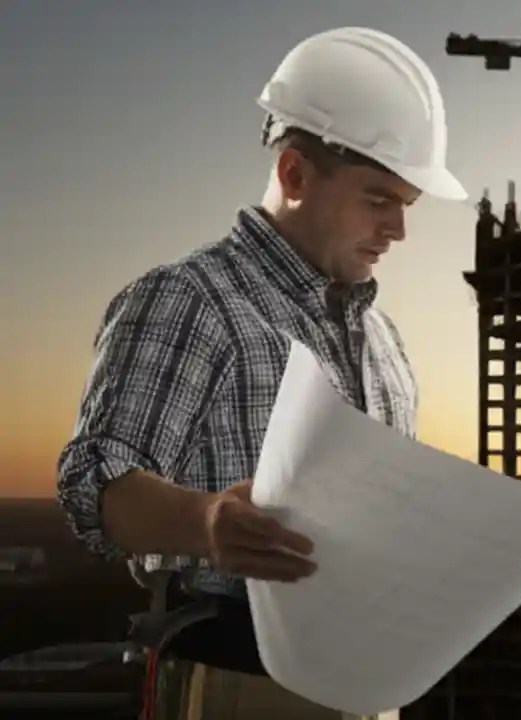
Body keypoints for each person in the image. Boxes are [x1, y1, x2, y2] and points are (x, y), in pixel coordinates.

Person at [54, 26, 467, 719]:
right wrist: (206, 519)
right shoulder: (192, 300)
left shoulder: (382, 340)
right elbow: (92, 480)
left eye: (408, 205)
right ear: (296, 175)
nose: (398, 229)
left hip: (370, 683)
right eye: (378, 198)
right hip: (240, 684)